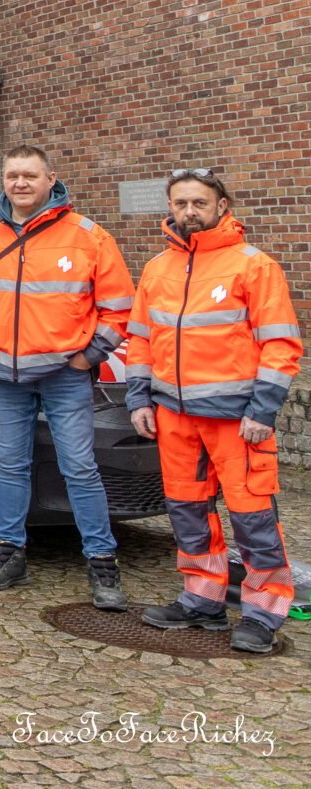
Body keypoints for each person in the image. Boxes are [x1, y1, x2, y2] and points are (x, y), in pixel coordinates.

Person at [128, 168, 301, 655]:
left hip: (237, 419)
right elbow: (140, 339)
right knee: (187, 513)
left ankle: (264, 613)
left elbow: (281, 345)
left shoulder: (253, 266)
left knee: (253, 516)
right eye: (180, 203)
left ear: (222, 206)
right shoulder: (158, 268)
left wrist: (262, 411)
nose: (188, 211)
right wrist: (140, 399)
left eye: (199, 203)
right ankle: (201, 600)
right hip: (175, 417)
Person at [0, 147, 135, 607]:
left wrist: (89, 356)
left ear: (50, 178)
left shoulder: (88, 236)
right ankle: (8, 555)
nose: (20, 183)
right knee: (11, 467)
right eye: (12, 175)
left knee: (79, 468)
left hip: (64, 375)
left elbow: (120, 308)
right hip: (6, 376)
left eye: (30, 175)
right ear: (3, 179)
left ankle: (102, 564)